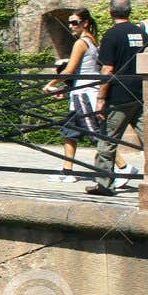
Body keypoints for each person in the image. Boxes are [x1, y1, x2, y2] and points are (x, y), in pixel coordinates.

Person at [84, 0, 148, 197]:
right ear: (129, 11)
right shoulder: (141, 34)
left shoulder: (112, 35)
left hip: (119, 96)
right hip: (140, 93)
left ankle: (104, 184)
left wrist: (101, 99)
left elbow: (108, 69)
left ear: (111, 11)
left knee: (107, 141)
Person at [42, 9, 109, 182]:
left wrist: (50, 84)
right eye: (70, 22)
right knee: (69, 131)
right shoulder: (93, 41)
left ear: (85, 23)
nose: (71, 26)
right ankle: (67, 171)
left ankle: (123, 168)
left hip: (84, 95)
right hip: (80, 92)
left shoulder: (81, 43)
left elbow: (70, 70)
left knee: (96, 134)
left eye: (75, 22)